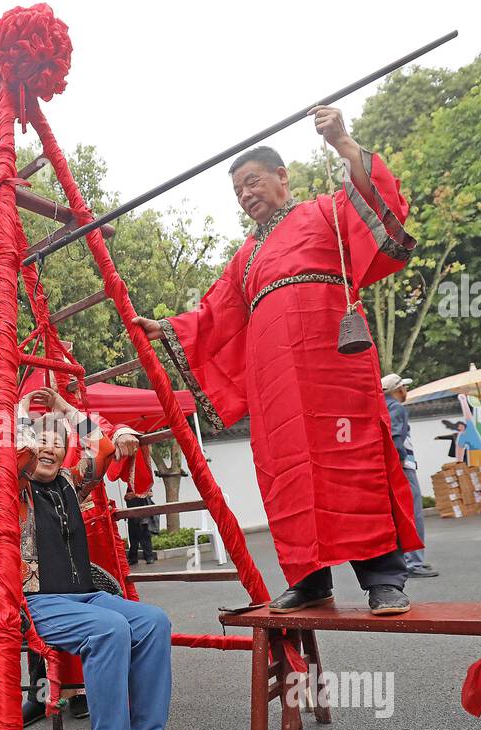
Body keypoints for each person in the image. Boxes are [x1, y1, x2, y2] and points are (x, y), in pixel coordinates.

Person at [134, 105, 419, 615]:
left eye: (253, 182)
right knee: (286, 470)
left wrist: (345, 144)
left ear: (282, 177)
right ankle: (310, 579)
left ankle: (383, 580)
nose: (246, 195)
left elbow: (380, 205)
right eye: (238, 191)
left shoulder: (326, 212)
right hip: (276, 386)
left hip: (335, 365)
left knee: (353, 460)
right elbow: (214, 314)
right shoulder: (245, 258)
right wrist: (168, 329)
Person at [15, 387, 202, 730]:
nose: (47, 446)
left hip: (87, 594)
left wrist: (64, 410)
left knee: (154, 621)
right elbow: (17, 449)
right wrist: (23, 411)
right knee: (109, 629)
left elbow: (99, 445)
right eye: (40, 440)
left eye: (56, 441)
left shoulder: (70, 482)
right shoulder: (15, 486)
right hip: (40, 601)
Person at [382, 374, 437, 579]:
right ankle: (414, 562)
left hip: (389, 468)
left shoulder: (380, 407)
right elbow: (396, 439)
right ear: (399, 389)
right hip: (403, 467)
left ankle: (403, 561)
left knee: (397, 516)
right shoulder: (396, 408)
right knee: (413, 513)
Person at [123, 488, 156, 565]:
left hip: (143, 514)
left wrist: (135, 495)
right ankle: (133, 558)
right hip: (132, 514)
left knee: (145, 536)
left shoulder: (144, 483)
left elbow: (150, 494)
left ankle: (149, 557)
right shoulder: (129, 486)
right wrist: (138, 494)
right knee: (133, 537)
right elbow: (127, 497)